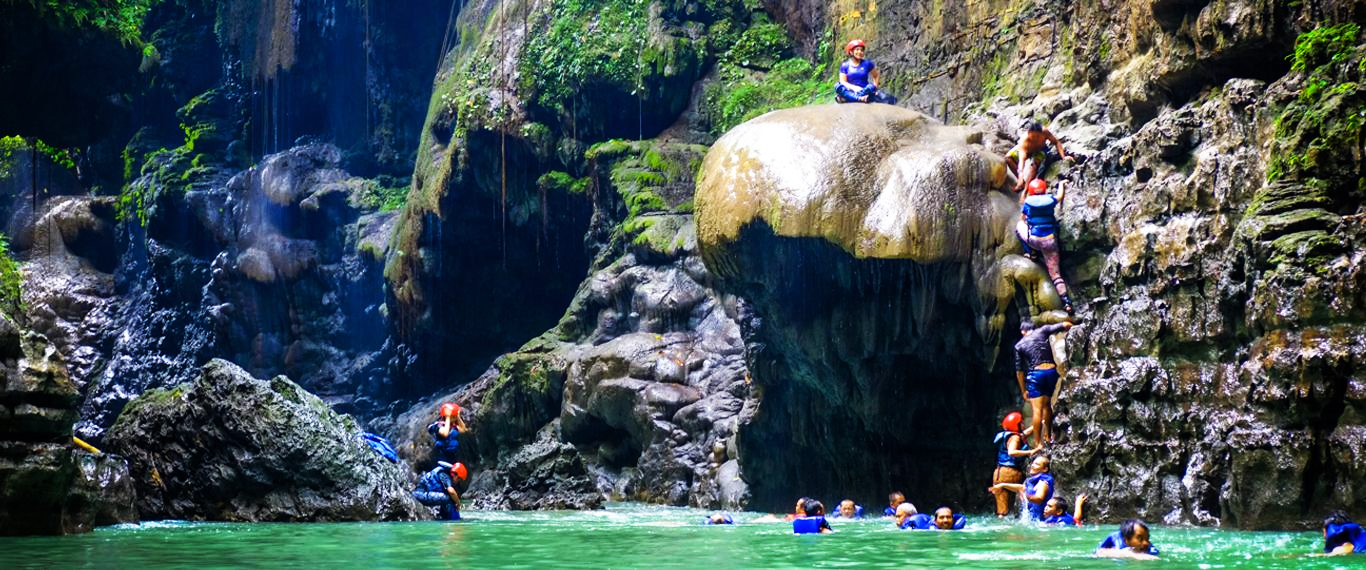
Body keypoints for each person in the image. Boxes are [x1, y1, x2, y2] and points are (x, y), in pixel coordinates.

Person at [1016, 178, 1073, 312]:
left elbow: (1022, 219)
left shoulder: (1028, 203)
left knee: (1019, 227)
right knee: (1055, 275)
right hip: (1050, 242)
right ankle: (1066, 302)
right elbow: (1059, 196)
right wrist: (1061, 184)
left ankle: (1032, 254)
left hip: (1034, 240)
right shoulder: (1050, 200)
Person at [1015, 319, 1073, 447]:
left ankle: (1038, 444)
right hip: (1052, 372)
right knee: (1047, 406)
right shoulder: (1043, 330)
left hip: (1037, 374)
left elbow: (1019, 372)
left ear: (1023, 331)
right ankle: (1047, 436)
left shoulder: (1019, 345)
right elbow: (1066, 324)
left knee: (1037, 410)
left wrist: (1023, 390)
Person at [1006, 120, 1073, 194]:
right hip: (1027, 150)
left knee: (1034, 166)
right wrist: (1020, 176)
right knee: (1008, 158)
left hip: (1040, 150)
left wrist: (1063, 157)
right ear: (1029, 134)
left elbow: (1056, 142)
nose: (1035, 139)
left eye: (1038, 136)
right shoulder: (1024, 141)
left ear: (1041, 134)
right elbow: (1022, 161)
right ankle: (1022, 183)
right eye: (1033, 137)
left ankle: (1026, 190)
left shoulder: (1045, 132)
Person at [991, 411, 1038, 517]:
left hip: (1001, 472)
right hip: (1008, 472)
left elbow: (1025, 433)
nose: (1023, 424)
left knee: (1005, 507)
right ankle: (1003, 527)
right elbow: (1012, 452)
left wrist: (1041, 422)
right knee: (1004, 510)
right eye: (1021, 423)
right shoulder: (1014, 437)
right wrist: (1031, 452)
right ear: (1016, 425)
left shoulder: (1011, 435)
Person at [988, 456, 1053, 521]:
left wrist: (1025, 496)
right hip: (1035, 521)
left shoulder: (1043, 483)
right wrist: (1002, 485)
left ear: (1045, 469)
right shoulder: (1034, 482)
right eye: (1033, 463)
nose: (1033, 465)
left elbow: (1039, 499)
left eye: (1037, 464)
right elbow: (1022, 488)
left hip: (1041, 521)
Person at [834, 40, 898, 105]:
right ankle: (859, 98)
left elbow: (876, 75)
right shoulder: (845, 65)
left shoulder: (867, 64)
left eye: (861, 50)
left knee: (871, 87)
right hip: (850, 91)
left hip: (865, 90)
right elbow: (843, 82)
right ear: (851, 52)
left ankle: (852, 98)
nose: (860, 52)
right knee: (837, 86)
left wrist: (875, 87)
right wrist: (855, 88)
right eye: (857, 50)